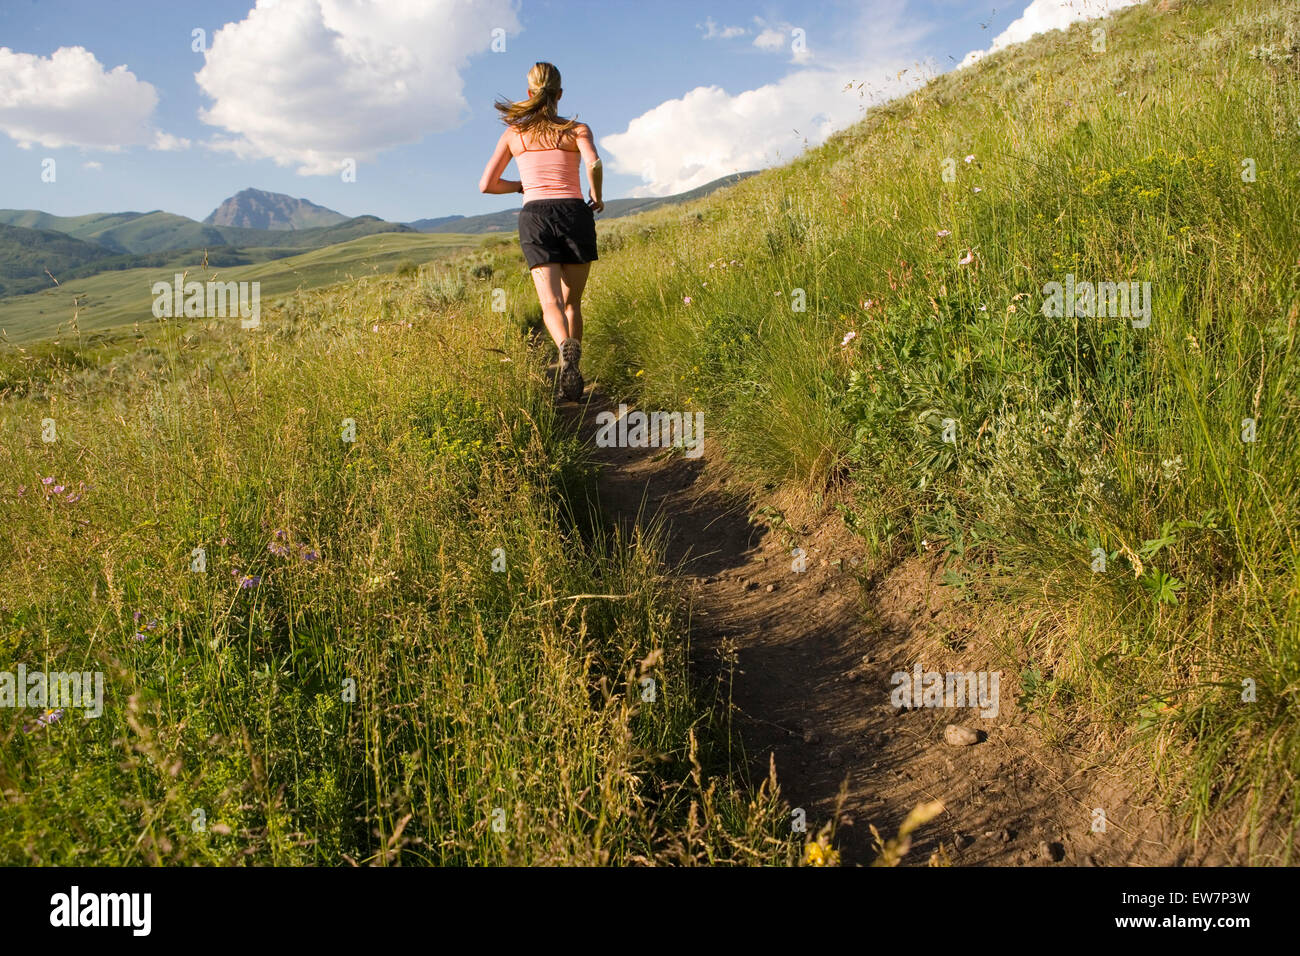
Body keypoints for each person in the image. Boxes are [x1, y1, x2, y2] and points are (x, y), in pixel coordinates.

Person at [479, 61, 603, 402]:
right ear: (560, 94)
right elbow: (593, 163)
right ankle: (574, 354)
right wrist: (597, 195)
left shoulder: (514, 134)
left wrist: (522, 185)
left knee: (549, 302)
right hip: (574, 213)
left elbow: (486, 185)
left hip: (535, 215)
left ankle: (563, 350)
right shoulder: (577, 130)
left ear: (530, 93)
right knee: (572, 301)